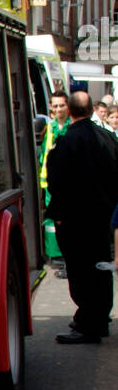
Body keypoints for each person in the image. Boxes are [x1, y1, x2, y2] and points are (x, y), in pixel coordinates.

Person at [47, 91, 118, 343]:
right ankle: (99, 318)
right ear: (90, 111)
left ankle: (88, 323)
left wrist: (59, 214)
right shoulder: (108, 138)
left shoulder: (67, 142)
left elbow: (57, 181)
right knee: (100, 267)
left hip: (76, 220)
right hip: (102, 218)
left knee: (80, 271)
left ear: (71, 111)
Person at [39, 91, 70, 265]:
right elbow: (44, 155)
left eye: (61, 105)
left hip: (68, 183)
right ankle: (55, 253)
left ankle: (68, 253)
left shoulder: (71, 126)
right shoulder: (50, 127)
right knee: (51, 220)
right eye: (55, 105)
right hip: (50, 183)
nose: (58, 109)